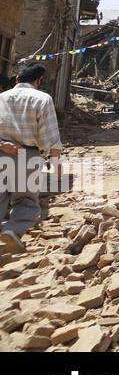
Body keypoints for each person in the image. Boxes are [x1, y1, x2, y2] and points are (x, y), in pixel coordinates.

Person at [0, 63, 62, 255]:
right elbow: (49, 134)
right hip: (27, 156)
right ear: (39, 80)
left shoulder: (2, 97)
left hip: (2, 152)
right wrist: (56, 162)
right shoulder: (42, 99)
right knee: (26, 201)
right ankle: (12, 231)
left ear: (17, 79)